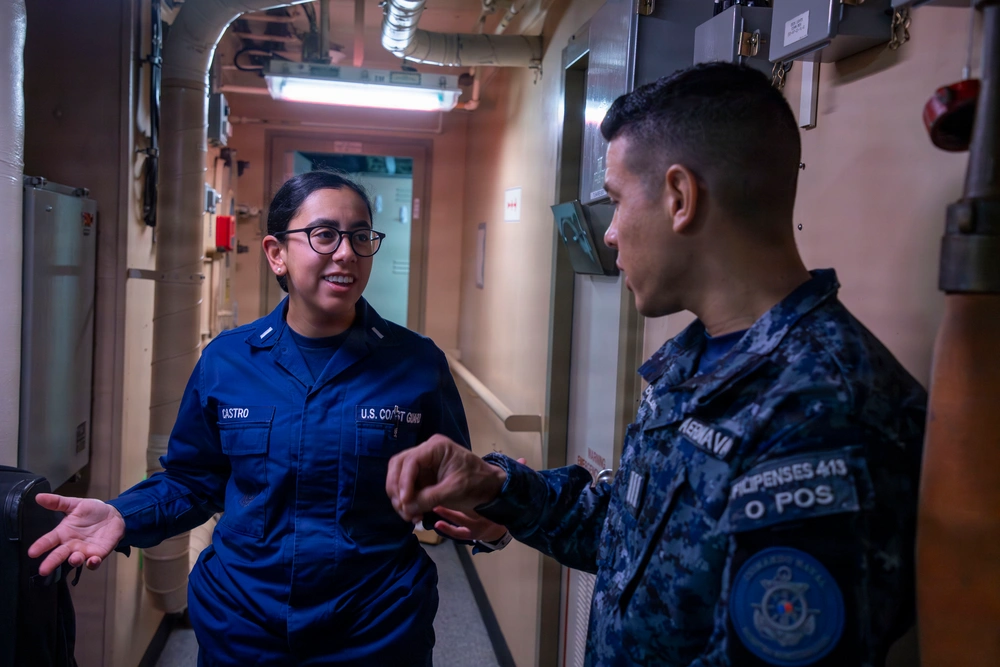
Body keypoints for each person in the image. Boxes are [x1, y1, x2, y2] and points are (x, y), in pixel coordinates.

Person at [386, 63, 926, 666]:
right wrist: (494, 487)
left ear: (679, 197)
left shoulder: (824, 411)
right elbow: (625, 536)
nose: (610, 233)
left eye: (616, 201)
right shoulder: (695, 363)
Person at [28, 171, 510, 666]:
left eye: (361, 236)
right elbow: (193, 482)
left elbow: (452, 498)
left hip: (375, 629)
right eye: (325, 235)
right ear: (276, 253)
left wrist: (493, 520)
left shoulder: (416, 364)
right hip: (244, 625)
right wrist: (122, 514)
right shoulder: (228, 361)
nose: (346, 253)